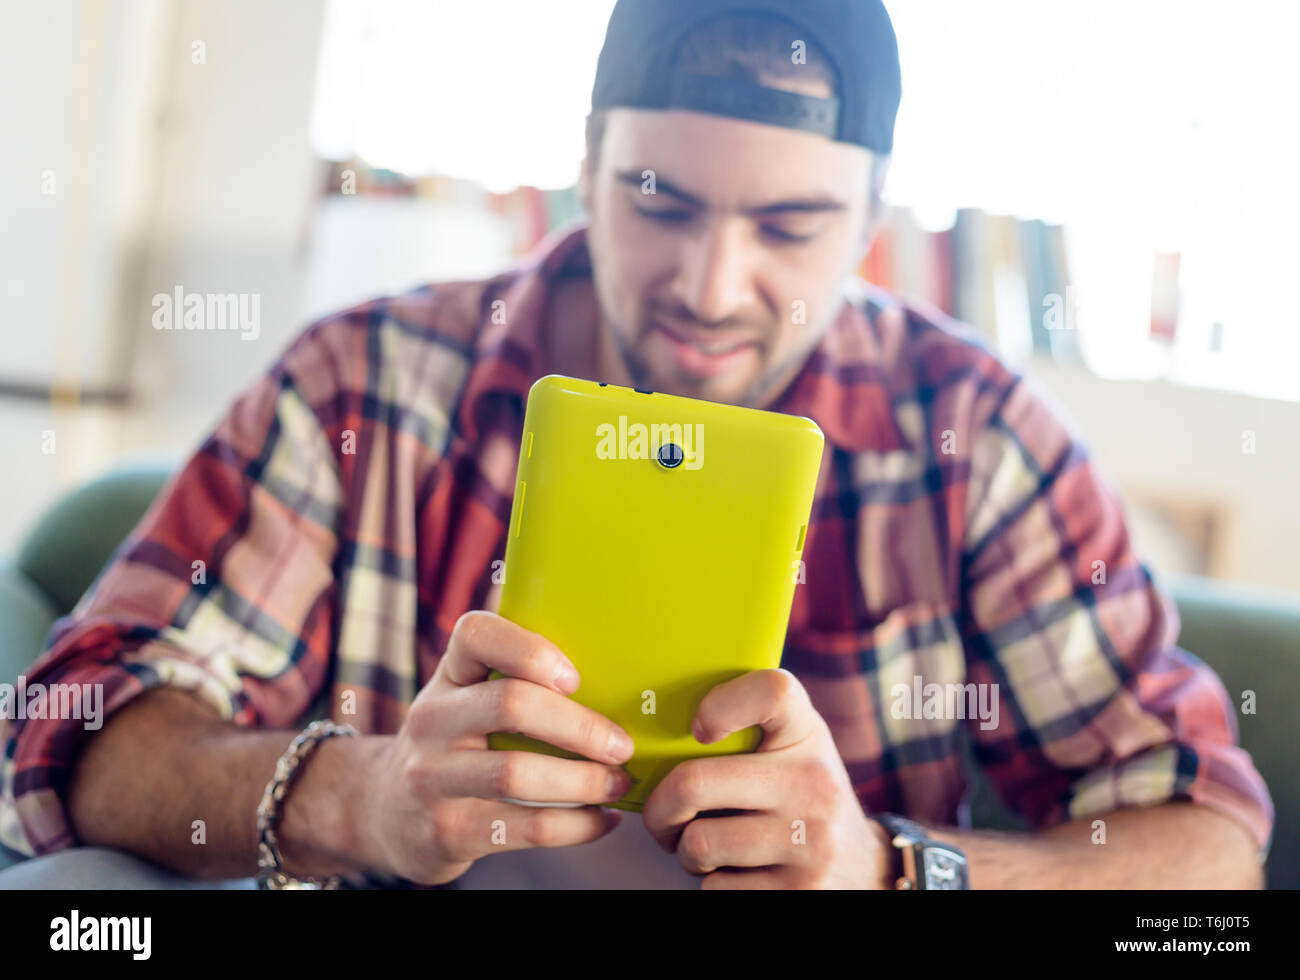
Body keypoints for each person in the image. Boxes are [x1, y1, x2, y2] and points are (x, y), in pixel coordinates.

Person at [0, 0, 1272, 890]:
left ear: (871, 221)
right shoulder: (366, 384)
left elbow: (1206, 850)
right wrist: (364, 795)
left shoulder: (979, 439)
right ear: (587, 162)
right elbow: (79, 728)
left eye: (789, 225)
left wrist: (888, 869)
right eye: (661, 201)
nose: (712, 287)